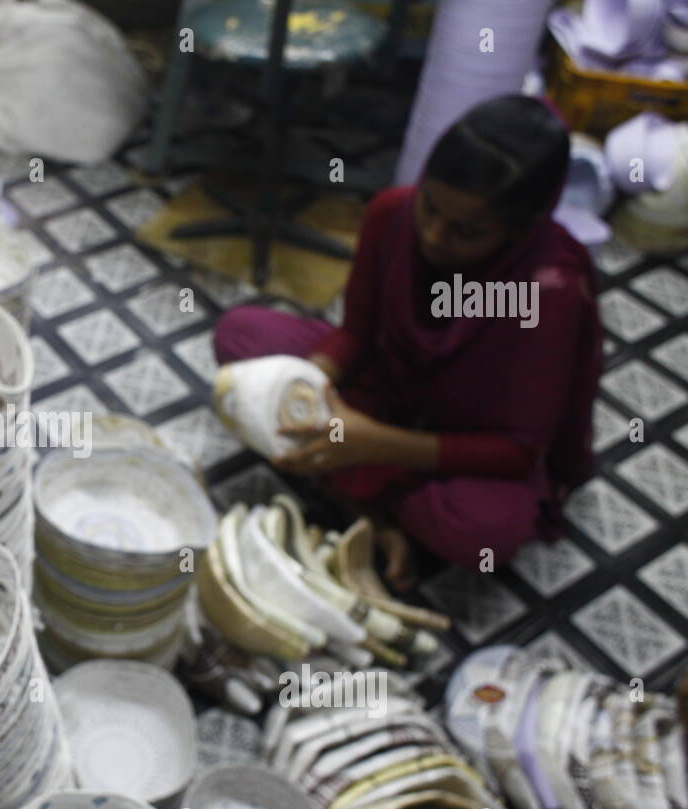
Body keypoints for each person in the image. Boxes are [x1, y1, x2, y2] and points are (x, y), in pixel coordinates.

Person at [212, 94, 604, 589]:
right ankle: (372, 508)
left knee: (483, 534)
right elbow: (356, 333)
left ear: (517, 231)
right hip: (385, 388)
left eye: (466, 231)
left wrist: (369, 443)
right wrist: (310, 383)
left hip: (463, 432)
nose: (435, 237)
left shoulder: (547, 290)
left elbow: (516, 450)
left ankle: (362, 496)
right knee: (242, 335)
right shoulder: (393, 214)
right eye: (430, 207)